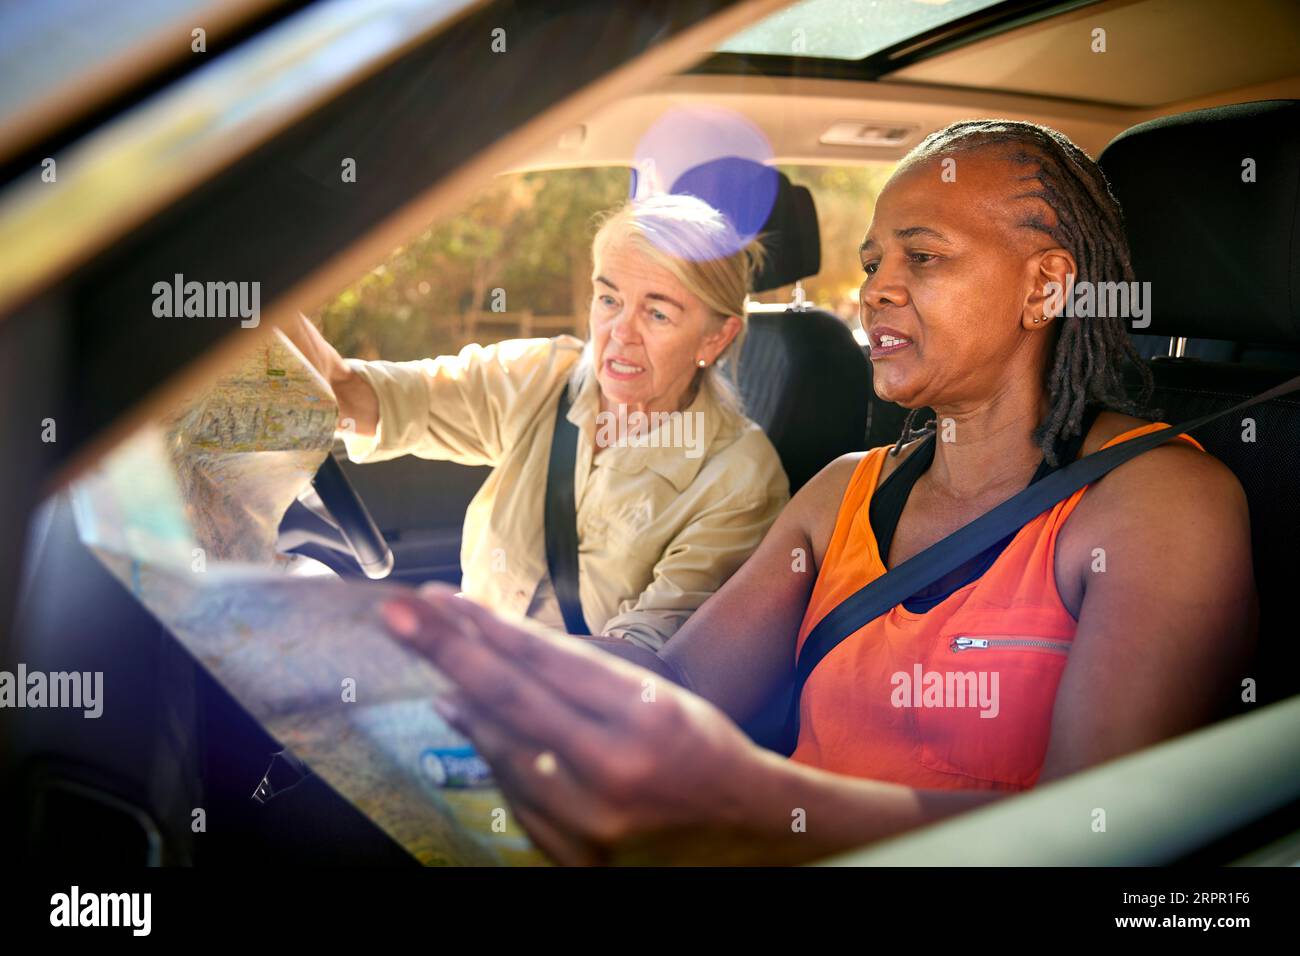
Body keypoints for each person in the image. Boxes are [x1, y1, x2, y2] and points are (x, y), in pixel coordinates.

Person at [378, 120, 1257, 865]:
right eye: (874, 260)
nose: (874, 287)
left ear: (1046, 285)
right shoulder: (842, 492)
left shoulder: (1160, 506)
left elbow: (1100, 836)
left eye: (923, 255)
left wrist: (750, 801)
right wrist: (480, 663)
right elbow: (679, 680)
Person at [287, 193, 788, 650]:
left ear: (715, 339)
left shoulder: (739, 479)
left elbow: (647, 661)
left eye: (657, 315)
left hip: (569, 719)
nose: (619, 334)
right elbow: (358, 395)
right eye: (609, 299)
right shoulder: (540, 376)